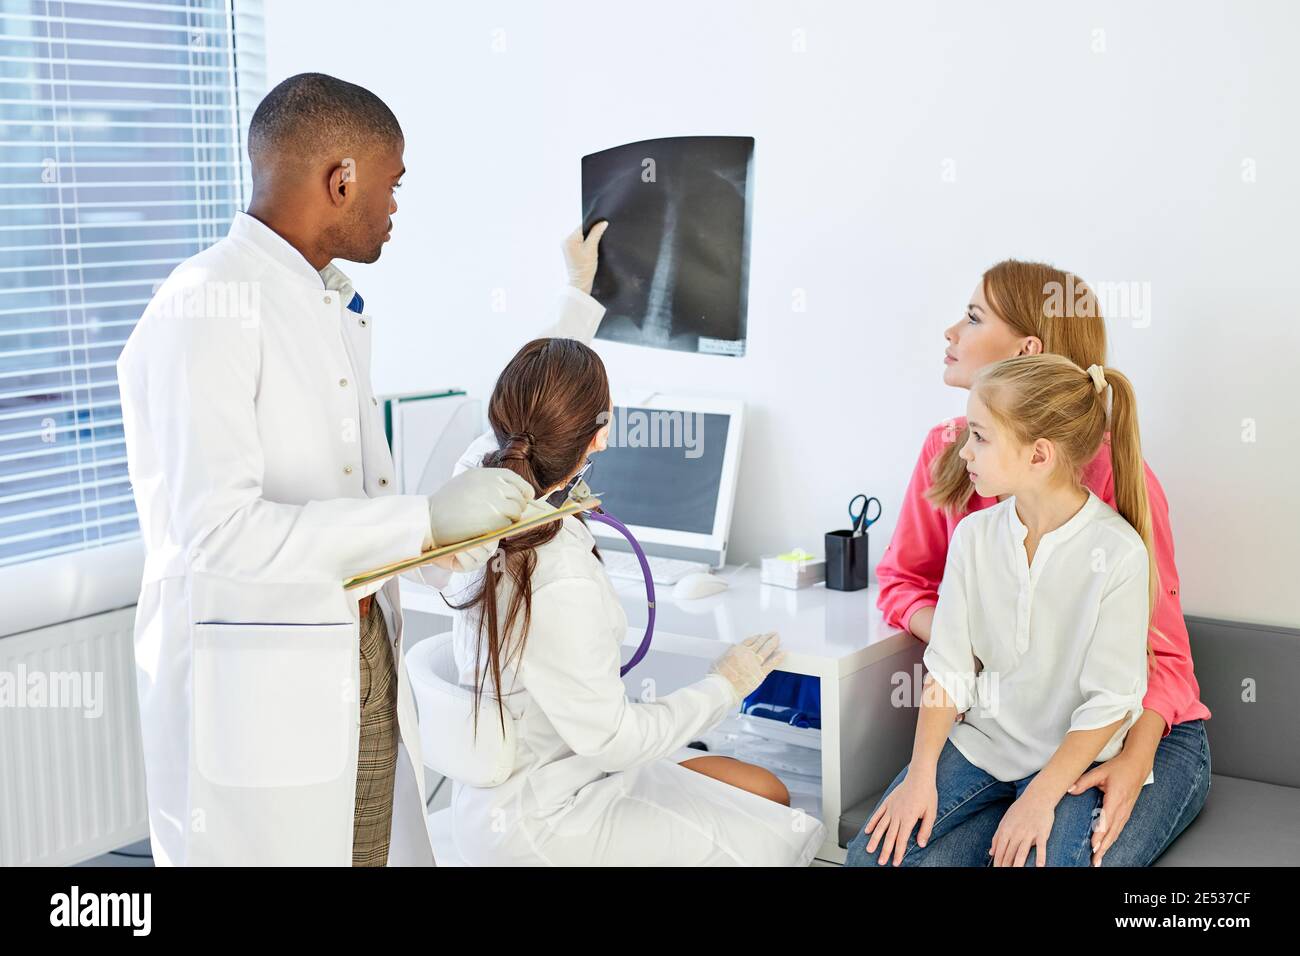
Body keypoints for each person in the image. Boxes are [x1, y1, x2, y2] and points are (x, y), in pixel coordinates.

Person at [116, 72, 604, 866]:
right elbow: (212, 534)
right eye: (393, 184)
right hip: (263, 694)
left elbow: (350, 510)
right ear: (340, 179)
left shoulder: (327, 305)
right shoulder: (203, 306)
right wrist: (423, 522)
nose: (396, 207)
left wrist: (443, 537)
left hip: (360, 652)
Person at [442, 338, 827, 865]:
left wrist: (575, 298)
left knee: (768, 792)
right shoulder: (561, 575)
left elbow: (524, 416)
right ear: (600, 436)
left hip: (529, 785)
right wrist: (725, 686)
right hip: (550, 820)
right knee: (784, 833)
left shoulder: (467, 501)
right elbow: (616, 741)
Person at [874, 261, 1210, 865]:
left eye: (973, 317)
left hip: (1132, 733)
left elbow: (1166, 660)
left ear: (1026, 351)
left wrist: (1133, 760)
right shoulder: (954, 468)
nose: (949, 332)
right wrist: (963, 631)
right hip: (1005, 729)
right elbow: (904, 584)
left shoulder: (1118, 488)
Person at [849, 354, 1157, 867]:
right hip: (984, 746)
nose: (965, 452)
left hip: (1075, 760)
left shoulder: (1118, 553)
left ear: (1039, 455)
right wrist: (920, 775)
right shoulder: (974, 536)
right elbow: (948, 669)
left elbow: (1111, 703)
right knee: (872, 858)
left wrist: (1039, 797)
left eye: (980, 437)